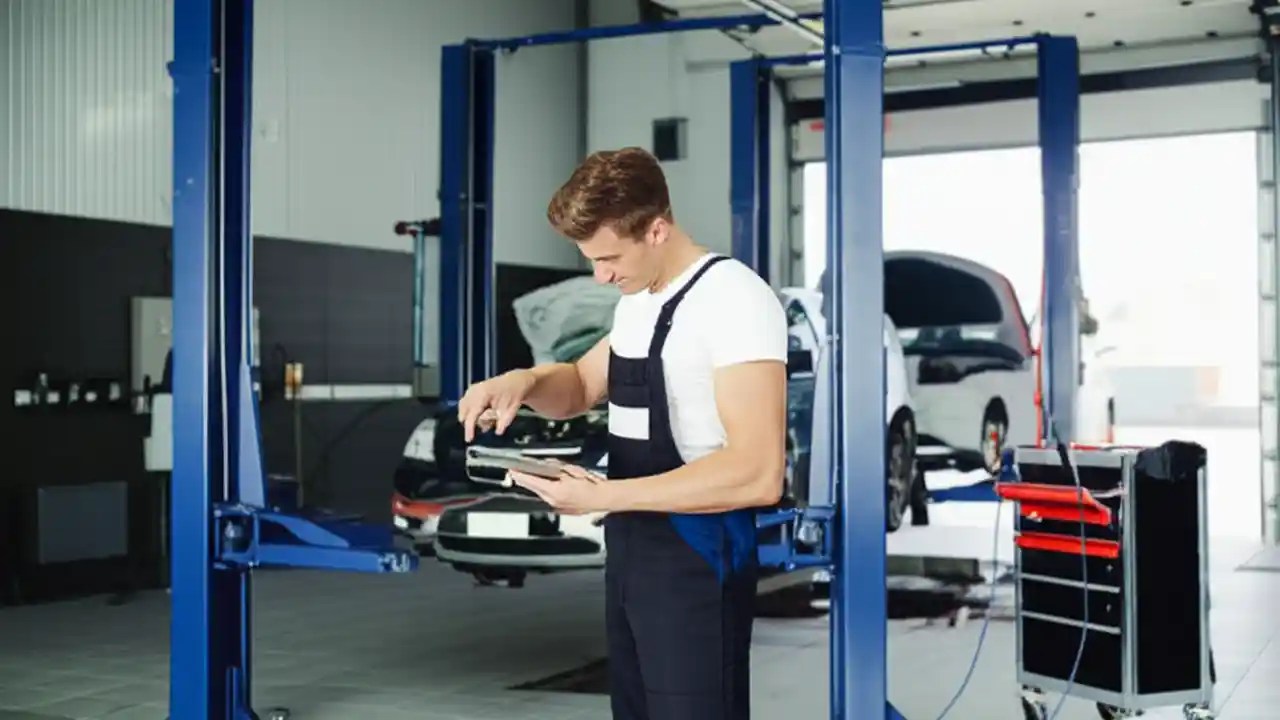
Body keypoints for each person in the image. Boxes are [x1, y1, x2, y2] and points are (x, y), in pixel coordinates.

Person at [455, 146, 789, 720]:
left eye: (608, 257)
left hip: (699, 560)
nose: (600, 274)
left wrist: (605, 496)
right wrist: (525, 380)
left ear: (657, 228)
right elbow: (583, 384)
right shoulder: (638, 299)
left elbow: (758, 473)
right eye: (591, 259)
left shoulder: (734, 299)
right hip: (635, 552)